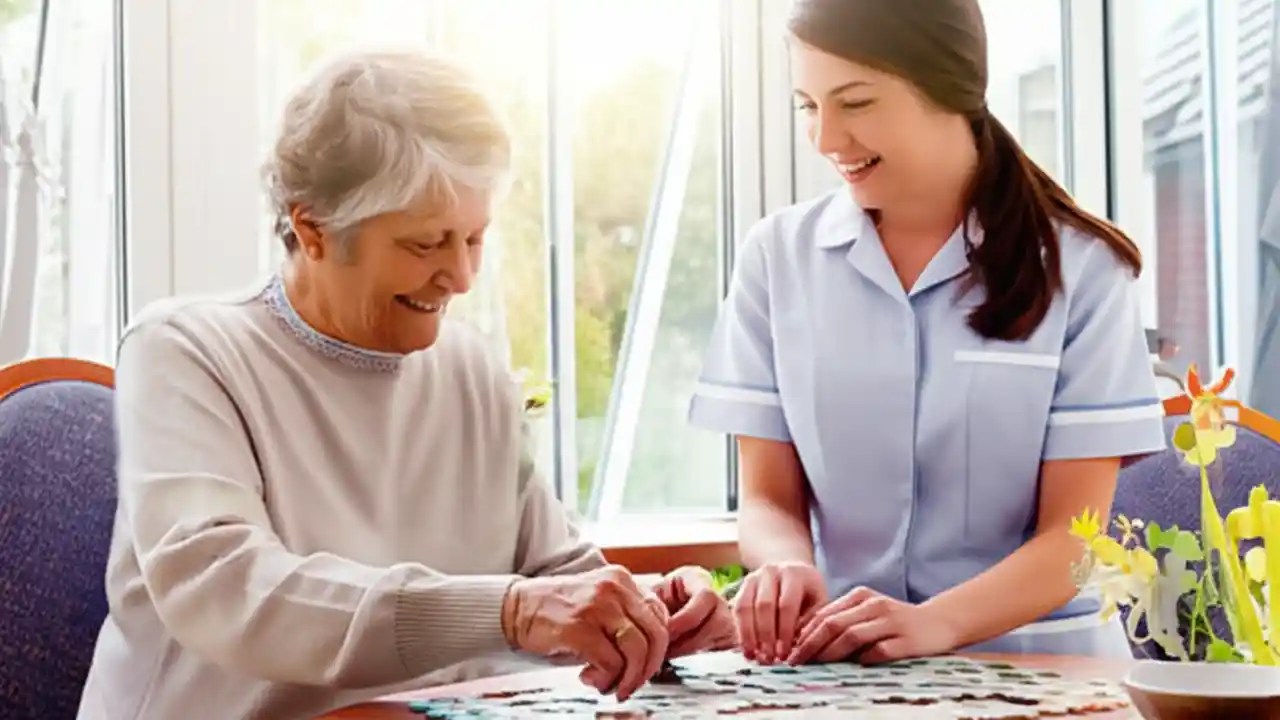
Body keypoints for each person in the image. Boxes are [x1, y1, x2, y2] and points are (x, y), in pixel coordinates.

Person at [77, 51, 733, 720]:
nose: (461, 276)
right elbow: (225, 587)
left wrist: (648, 611)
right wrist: (510, 612)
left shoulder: (470, 369)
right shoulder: (185, 353)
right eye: (426, 244)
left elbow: (556, 575)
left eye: (474, 239)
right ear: (314, 230)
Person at [689, 0, 1165, 666]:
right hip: (845, 671)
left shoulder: (1082, 270)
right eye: (807, 106)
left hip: (1042, 666)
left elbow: (1077, 541)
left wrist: (933, 625)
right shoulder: (777, 259)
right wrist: (784, 565)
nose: (826, 138)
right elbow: (768, 497)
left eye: (855, 103)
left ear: (952, 87)